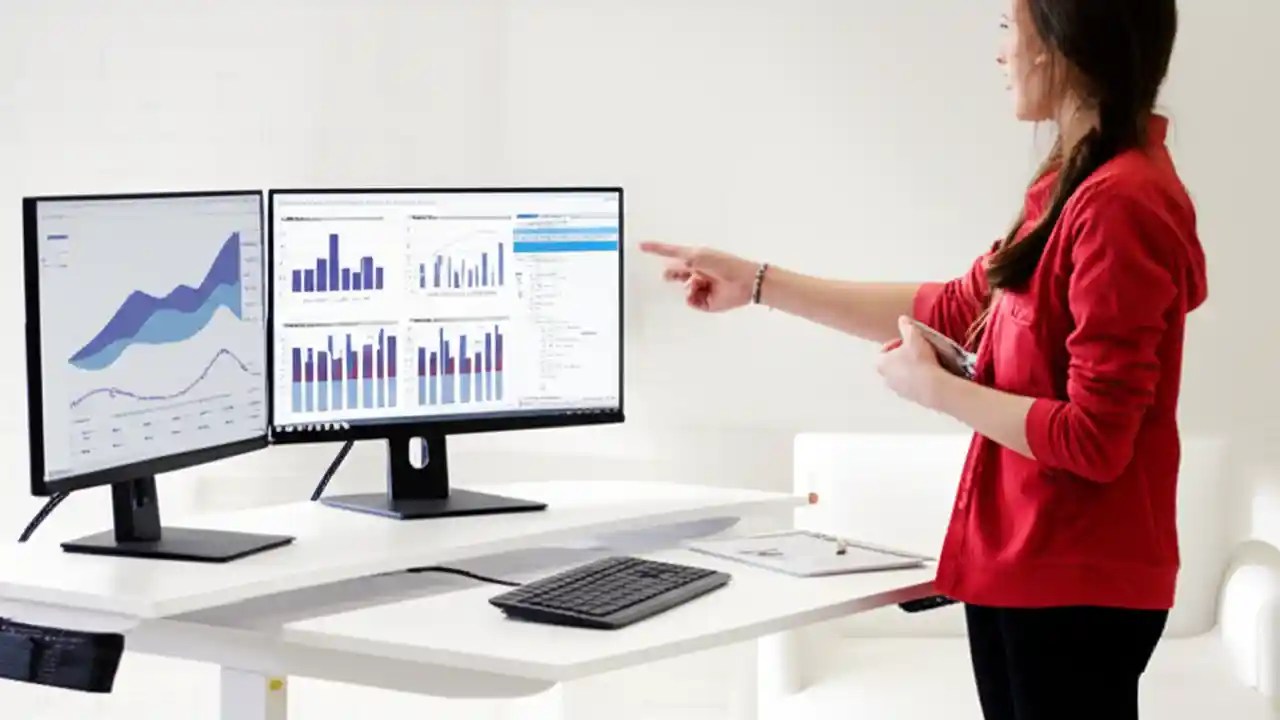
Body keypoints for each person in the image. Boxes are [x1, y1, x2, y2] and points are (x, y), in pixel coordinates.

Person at [641, 0, 1204, 718]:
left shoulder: (1120, 204)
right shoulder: (1071, 186)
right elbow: (956, 305)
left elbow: (1096, 439)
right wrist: (756, 283)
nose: (1001, 53)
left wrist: (933, 389)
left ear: (1061, 45)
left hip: (1073, 586)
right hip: (1023, 575)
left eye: (1010, 27)